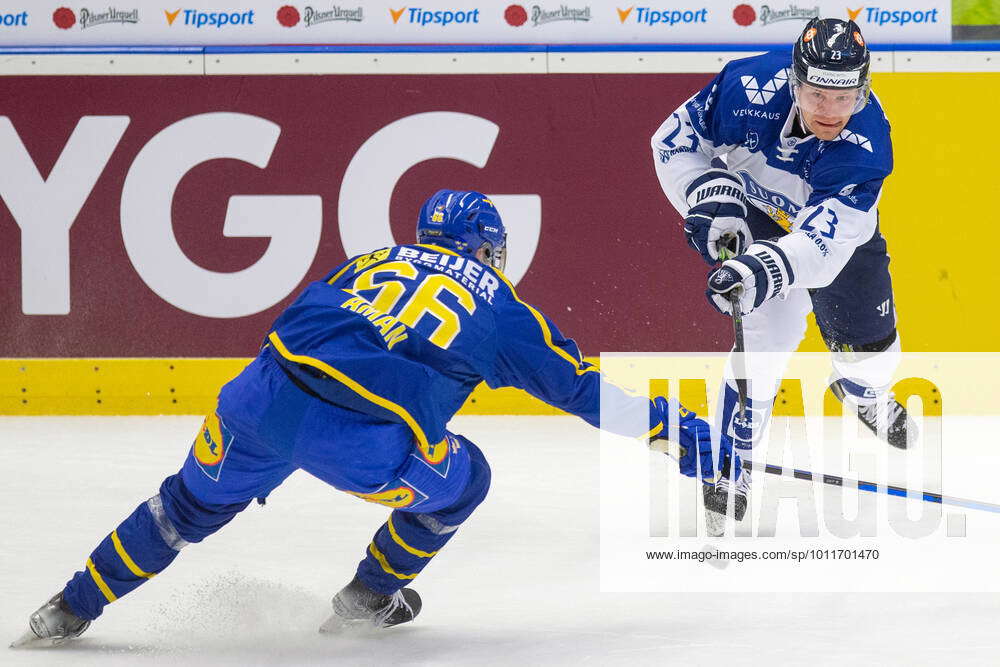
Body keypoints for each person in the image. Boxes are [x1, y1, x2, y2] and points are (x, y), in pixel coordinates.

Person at [13, 189, 741, 647]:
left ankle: (69, 606)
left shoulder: (370, 259)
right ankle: (368, 595)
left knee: (182, 505)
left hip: (258, 400)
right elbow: (585, 391)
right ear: (488, 251)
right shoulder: (500, 304)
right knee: (466, 479)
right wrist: (685, 438)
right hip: (360, 441)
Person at [651, 17, 916, 477]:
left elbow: (822, 249)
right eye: (817, 94)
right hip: (755, 213)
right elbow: (673, 142)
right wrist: (705, 190)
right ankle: (734, 454)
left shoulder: (866, 146)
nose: (830, 110)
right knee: (764, 338)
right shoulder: (747, 85)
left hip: (836, 240)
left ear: (863, 91)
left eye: (844, 97)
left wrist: (766, 268)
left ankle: (863, 389)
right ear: (795, 83)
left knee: (873, 357)